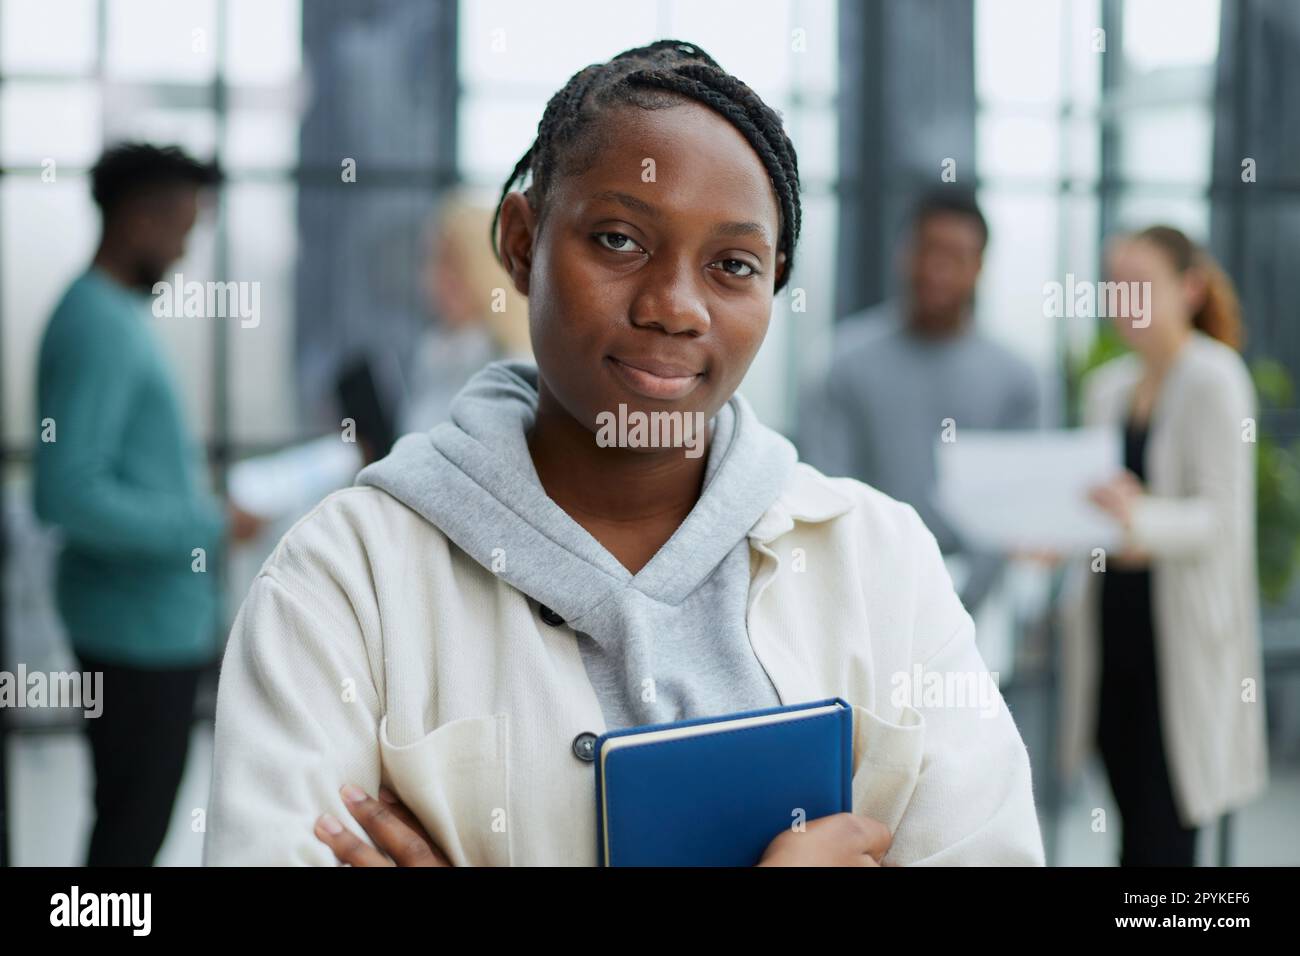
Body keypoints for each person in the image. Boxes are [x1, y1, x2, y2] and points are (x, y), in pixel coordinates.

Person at [205, 40, 1044, 867]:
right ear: (522, 241)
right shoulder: (345, 578)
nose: (675, 307)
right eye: (618, 240)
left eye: (733, 265)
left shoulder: (881, 562)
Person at [33, 142, 262, 866]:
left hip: (144, 626)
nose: (185, 250)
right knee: (130, 837)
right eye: (181, 228)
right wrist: (208, 522)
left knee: (128, 827)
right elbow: (66, 493)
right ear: (137, 220)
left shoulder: (111, 315)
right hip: (133, 635)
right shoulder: (97, 325)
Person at [1062, 225, 1268, 865]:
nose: (1127, 303)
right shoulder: (1109, 389)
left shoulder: (1215, 378)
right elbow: (1090, 505)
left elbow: (1221, 521)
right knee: (1129, 823)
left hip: (1179, 648)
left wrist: (1137, 521)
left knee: (1166, 838)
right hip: (1112, 642)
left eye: (1141, 286)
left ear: (1190, 288)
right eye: (1116, 287)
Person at [797, 189, 1041, 613]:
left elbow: (1013, 508)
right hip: (863, 592)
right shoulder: (843, 364)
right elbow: (827, 489)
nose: (937, 269)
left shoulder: (1017, 377)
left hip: (978, 603)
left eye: (956, 255)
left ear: (980, 266)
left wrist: (961, 605)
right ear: (903, 253)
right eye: (926, 249)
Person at [398, 190, 533, 434]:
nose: (434, 279)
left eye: (450, 263)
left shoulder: (515, 363)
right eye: (431, 261)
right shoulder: (433, 353)